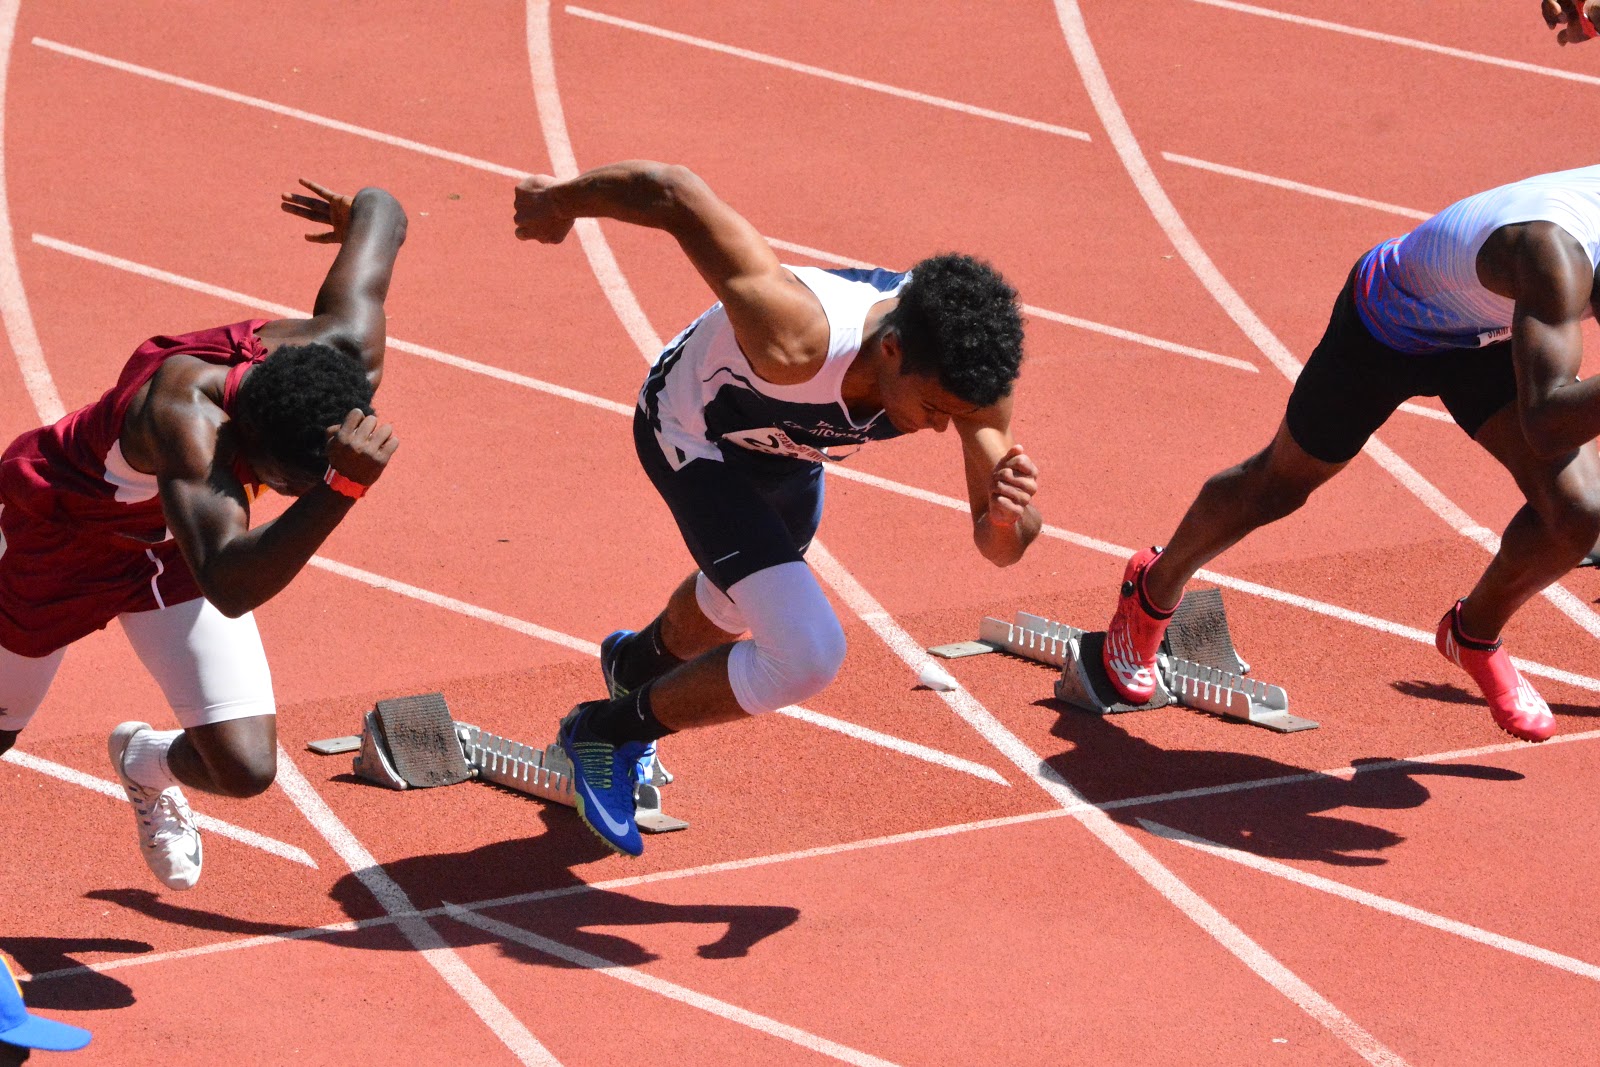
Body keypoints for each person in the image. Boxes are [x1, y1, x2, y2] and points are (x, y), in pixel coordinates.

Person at [513, 161, 1039, 855]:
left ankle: (636, 664)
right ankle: (608, 730)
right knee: (809, 652)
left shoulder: (971, 380)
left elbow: (999, 546)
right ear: (889, 349)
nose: (945, 429)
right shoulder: (793, 337)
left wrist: (1010, 521)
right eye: (934, 409)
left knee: (741, 602)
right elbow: (673, 193)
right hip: (691, 433)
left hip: (786, 449)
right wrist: (559, 202)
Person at [1100, 164, 1600, 744]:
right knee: (1281, 484)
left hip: (1491, 337)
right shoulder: (1551, 251)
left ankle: (1473, 634)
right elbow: (1545, 422)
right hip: (1387, 325)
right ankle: (1152, 587)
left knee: (1581, 510)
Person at [0, 180, 406, 889]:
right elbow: (229, 582)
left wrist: (355, 219)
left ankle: (142, 764)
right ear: (244, 439)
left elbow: (385, 212)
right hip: (62, 533)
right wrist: (342, 489)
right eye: (283, 483)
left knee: (245, 767)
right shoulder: (183, 417)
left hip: (173, 543)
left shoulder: (349, 351)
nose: (282, 496)